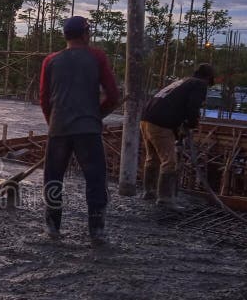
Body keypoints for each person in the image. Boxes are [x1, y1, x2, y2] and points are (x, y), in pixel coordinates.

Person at [39, 16, 120, 243]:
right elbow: (113, 95)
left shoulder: (51, 61)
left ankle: (52, 227)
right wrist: (97, 115)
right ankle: (97, 231)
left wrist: (52, 122)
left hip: (59, 128)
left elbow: (44, 98)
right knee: (95, 178)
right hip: (88, 129)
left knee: (53, 178)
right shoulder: (97, 57)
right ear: (86, 34)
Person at [140, 63, 214, 209]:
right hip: (161, 122)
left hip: (146, 118)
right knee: (169, 161)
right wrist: (192, 123)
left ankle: (149, 191)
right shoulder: (199, 84)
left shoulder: (183, 81)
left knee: (153, 158)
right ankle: (165, 199)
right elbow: (192, 107)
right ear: (209, 78)